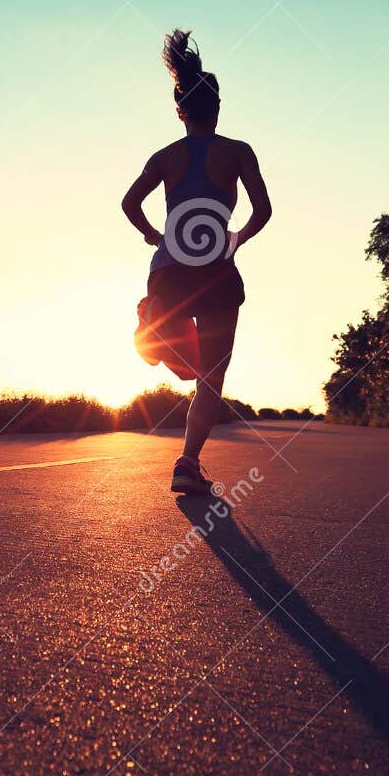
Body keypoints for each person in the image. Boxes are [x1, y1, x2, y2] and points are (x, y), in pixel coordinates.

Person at [121, 28, 273, 495]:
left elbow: (129, 203)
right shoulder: (238, 151)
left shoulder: (165, 156)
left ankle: (154, 322)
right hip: (215, 271)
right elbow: (263, 210)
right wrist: (238, 238)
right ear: (219, 106)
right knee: (209, 376)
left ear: (180, 110)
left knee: (187, 368)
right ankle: (187, 462)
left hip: (169, 269)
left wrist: (152, 234)